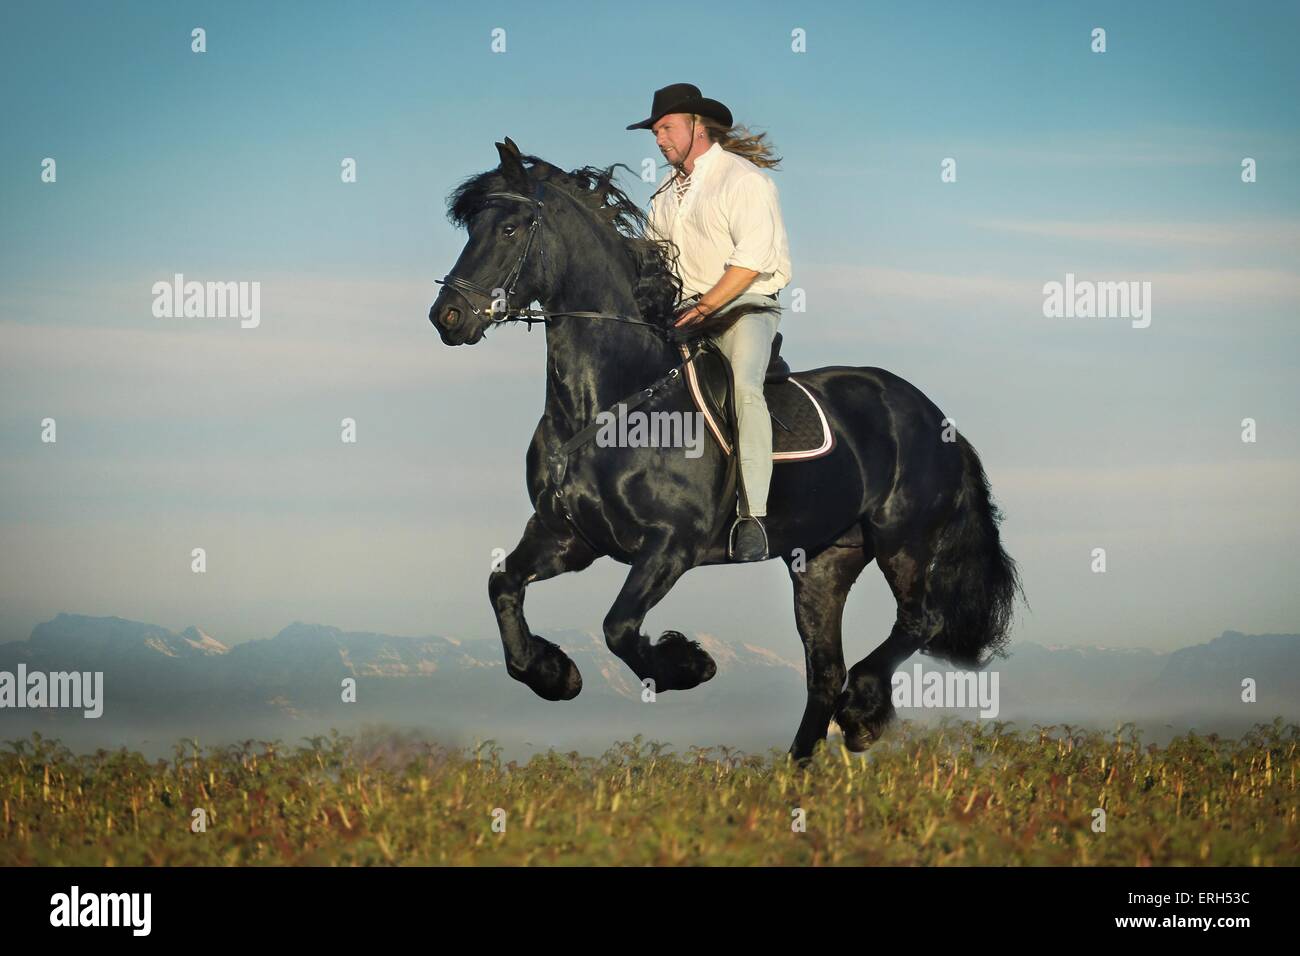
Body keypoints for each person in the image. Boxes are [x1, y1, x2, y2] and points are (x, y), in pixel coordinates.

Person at [627, 83, 793, 561]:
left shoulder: (744, 181)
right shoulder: (664, 196)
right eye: (655, 131)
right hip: (684, 318)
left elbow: (750, 262)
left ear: (698, 127)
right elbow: (656, 264)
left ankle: (753, 518)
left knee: (745, 390)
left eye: (666, 128)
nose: (659, 139)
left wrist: (701, 310)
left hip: (744, 309)